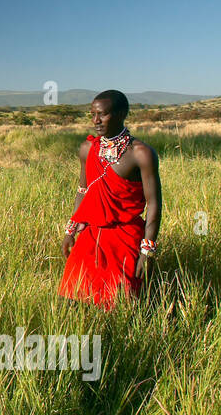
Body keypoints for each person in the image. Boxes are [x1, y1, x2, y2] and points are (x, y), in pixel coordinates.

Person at [59, 90, 162, 310]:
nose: (96, 121)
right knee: (71, 298)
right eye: (93, 114)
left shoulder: (141, 153)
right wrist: (70, 231)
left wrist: (147, 251)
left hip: (126, 235)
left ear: (121, 113)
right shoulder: (88, 149)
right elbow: (82, 191)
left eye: (102, 115)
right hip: (91, 233)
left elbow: (154, 204)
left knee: (121, 302)